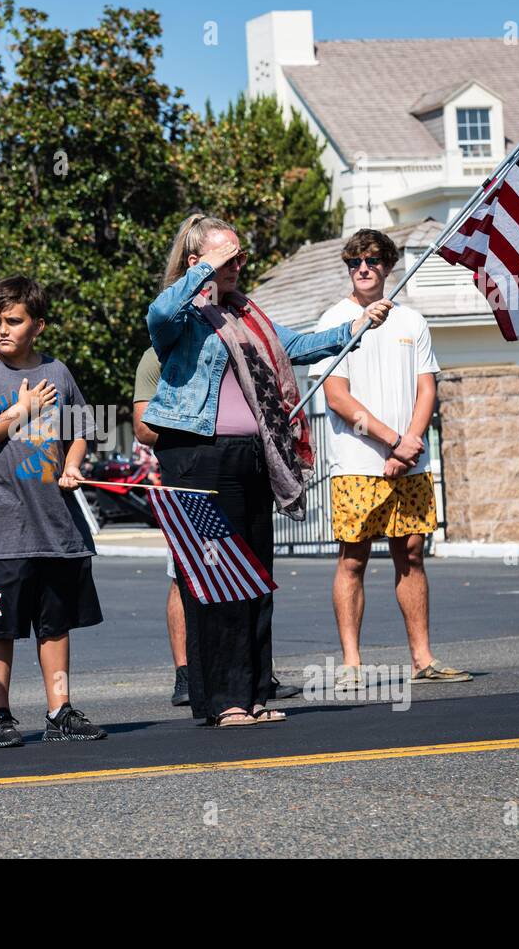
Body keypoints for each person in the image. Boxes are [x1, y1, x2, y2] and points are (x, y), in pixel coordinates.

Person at [144, 214, 391, 728]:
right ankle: (223, 699)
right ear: (196, 263)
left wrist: (356, 326)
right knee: (216, 576)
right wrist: (200, 275)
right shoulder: (183, 317)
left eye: (239, 257)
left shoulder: (247, 314)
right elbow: (160, 311)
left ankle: (254, 692)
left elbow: (296, 347)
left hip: (253, 455)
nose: (236, 265)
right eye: (224, 257)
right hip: (196, 453)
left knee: (255, 574)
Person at [0, 276, 107, 748]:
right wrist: (20, 412)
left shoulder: (58, 373)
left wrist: (74, 465)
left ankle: (59, 711)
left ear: (37, 325)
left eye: (13, 321)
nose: (2, 329)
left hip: (56, 528)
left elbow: (83, 427)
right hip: (3, 531)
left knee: (54, 624)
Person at [310, 229, 471, 689]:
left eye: (374, 260)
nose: (365, 268)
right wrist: (391, 440)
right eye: (356, 261)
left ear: (389, 266)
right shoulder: (336, 320)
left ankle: (423, 659)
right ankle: (352, 665)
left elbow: (427, 387)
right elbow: (338, 397)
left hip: (409, 463)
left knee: (413, 555)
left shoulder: (412, 322)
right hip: (359, 462)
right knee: (353, 559)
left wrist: (411, 443)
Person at [134, 347, 302, 708]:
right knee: (194, 580)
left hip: (245, 466)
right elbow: (143, 428)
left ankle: (252, 684)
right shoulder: (161, 353)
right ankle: (191, 674)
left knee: (249, 579)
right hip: (197, 472)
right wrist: (197, 438)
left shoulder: (243, 344)